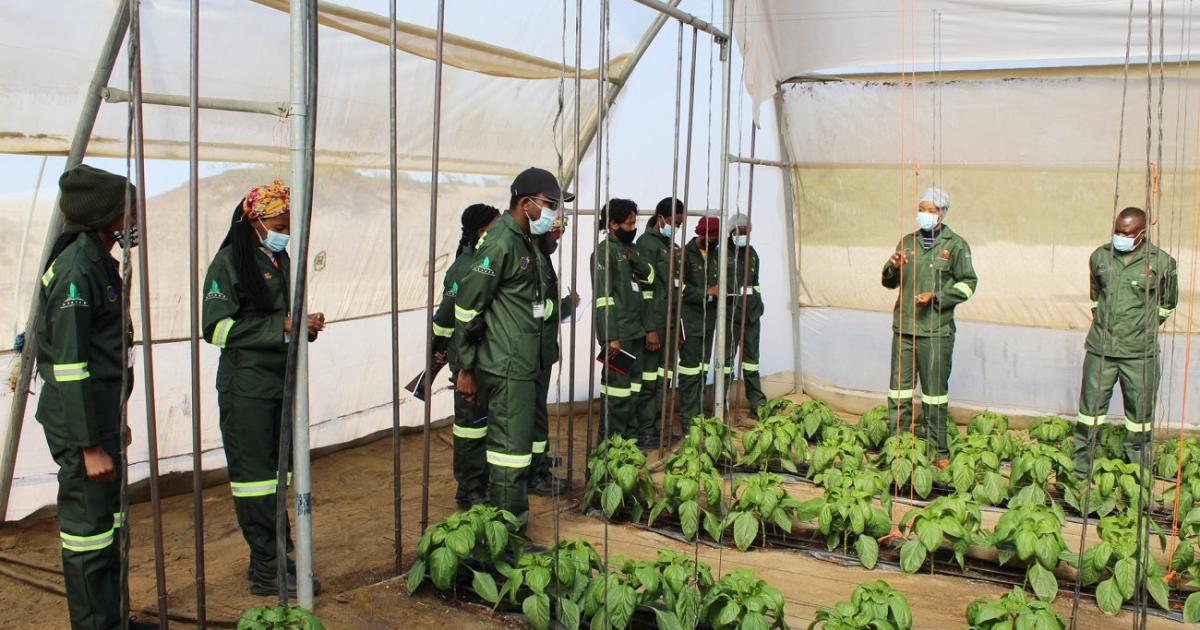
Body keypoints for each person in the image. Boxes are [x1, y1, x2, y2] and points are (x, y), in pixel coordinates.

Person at [34, 164, 154, 630]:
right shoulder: (77, 271)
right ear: (105, 216)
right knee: (88, 536)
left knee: (111, 529)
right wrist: (88, 445)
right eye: (128, 212)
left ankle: (115, 620)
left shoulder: (98, 261)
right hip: (80, 428)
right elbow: (68, 367)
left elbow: (103, 354)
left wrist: (113, 421)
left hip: (100, 420)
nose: (133, 221)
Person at [202, 180, 325, 596]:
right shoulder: (230, 262)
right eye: (279, 221)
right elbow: (215, 328)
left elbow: (281, 319)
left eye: (288, 222)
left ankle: (275, 558)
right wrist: (283, 326)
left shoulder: (280, 258)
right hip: (247, 388)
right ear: (254, 220)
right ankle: (268, 566)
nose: (285, 228)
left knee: (279, 475)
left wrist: (301, 326)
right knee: (255, 479)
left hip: (278, 384)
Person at [454, 167, 572, 527]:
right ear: (526, 203)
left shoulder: (525, 243)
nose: (554, 213)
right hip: (505, 365)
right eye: (550, 205)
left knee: (516, 453)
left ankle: (509, 528)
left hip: (522, 364)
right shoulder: (501, 243)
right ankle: (507, 536)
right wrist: (466, 368)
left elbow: (527, 304)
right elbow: (467, 308)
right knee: (510, 456)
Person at [1073, 207, 1177, 473]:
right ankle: (1080, 471)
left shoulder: (1161, 263)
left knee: (1139, 420)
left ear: (1142, 234)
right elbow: (1096, 299)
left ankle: (1137, 473)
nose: (1121, 237)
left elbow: (1167, 303)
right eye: (1117, 231)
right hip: (1101, 350)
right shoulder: (1100, 257)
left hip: (1139, 355)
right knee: (1088, 414)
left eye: (1127, 233)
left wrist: (1142, 329)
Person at [881, 187, 976, 467]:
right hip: (905, 329)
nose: (924, 215)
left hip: (935, 332)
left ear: (942, 214)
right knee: (898, 392)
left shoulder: (955, 245)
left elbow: (968, 284)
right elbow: (889, 282)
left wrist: (938, 298)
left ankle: (939, 452)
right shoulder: (906, 243)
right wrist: (892, 267)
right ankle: (896, 448)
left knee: (934, 395)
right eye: (921, 209)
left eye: (931, 211)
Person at [431, 204, 501, 510]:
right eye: (495, 226)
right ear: (481, 231)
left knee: (487, 426)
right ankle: (469, 489)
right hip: (469, 362)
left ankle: (483, 482)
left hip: (493, 358)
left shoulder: (495, 260)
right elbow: (445, 316)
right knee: (471, 427)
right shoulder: (464, 267)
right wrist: (440, 349)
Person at [591, 198, 654, 441]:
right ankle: (611, 444)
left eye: (635, 222)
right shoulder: (604, 253)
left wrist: (634, 258)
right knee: (617, 390)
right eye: (629, 223)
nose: (633, 227)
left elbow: (649, 278)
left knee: (634, 388)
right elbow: (603, 298)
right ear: (613, 224)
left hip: (636, 332)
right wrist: (610, 338)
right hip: (620, 336)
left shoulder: (632, 251)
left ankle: (628, 438)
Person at [529, 220, 577, 495]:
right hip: (531, 350)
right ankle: (535, 472)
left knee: (538, 411)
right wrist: (564, 306)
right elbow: (529, 308)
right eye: (557, 230)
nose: (559, 236)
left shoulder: (542, 256)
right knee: (534, 412)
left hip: (543, 348)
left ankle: (539, 460)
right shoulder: (529, 257)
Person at [632, 197, 685, 447]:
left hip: (671, 321)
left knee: (664, 378)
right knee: (649, 378)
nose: (676, 226)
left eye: (680, 223)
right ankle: (646, 430)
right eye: (674, 222)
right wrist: (650, 328)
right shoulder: (646, 244)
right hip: (655, 322)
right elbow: (644, 291)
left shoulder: (670, 245)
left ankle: (659, 426)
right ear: (661, 217)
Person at [677, 217, 722, 427]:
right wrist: (706, 292)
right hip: (690, 319)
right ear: (700, 234)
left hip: (709, 319)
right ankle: (688, 417)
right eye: (710, 236)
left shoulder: (715, 254)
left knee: (702, 368)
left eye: (716, 237)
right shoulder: (684, 255)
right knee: (690, 369)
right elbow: (679, 288)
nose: (713, 240)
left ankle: (698, 413)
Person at [723, 213, 767, 420]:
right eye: (740, 233)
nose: (744, 237)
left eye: (747, 233)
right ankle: (720, 403)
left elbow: (754, 283)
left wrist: (757, 305)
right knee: (726, 361)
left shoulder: (752, 254)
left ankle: (757, 403)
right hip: (731, 314)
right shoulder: (722, 253)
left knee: (751, 362)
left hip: (751, 314)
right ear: (731, 231)